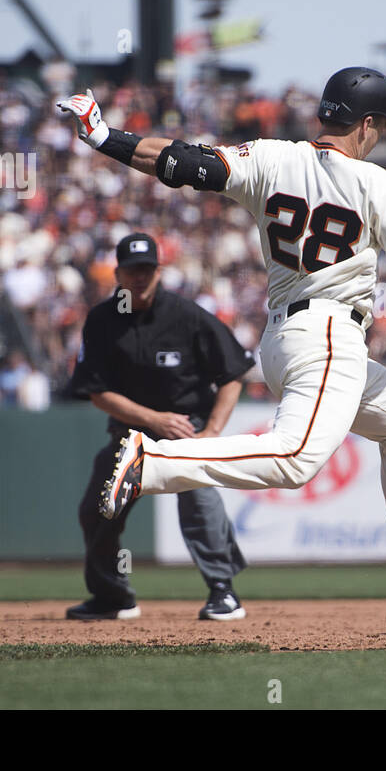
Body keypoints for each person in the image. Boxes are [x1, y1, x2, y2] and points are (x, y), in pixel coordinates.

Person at [57, 68, 386, 612]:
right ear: (367, 124)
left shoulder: (271, 157)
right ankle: (154, 462)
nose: (380, 136)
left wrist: (103, 137)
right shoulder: (382, 183)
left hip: (286, 337)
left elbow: (180, 161)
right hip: (329, 335)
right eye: (381, 126)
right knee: (295, 459)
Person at [65, 233, 255, 622]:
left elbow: (233, 372)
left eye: (147, 269)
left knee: (200, 504)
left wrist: (212, 432)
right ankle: (112, 596)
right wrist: (153, 419)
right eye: (132, 270)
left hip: (186, 429)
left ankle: (223, 591)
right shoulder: (103, 320)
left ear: (158, 272)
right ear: (117, 274)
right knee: (98, 509)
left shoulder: (186, 315)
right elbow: (97, 392)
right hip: (131, 434)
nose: (140, 277)